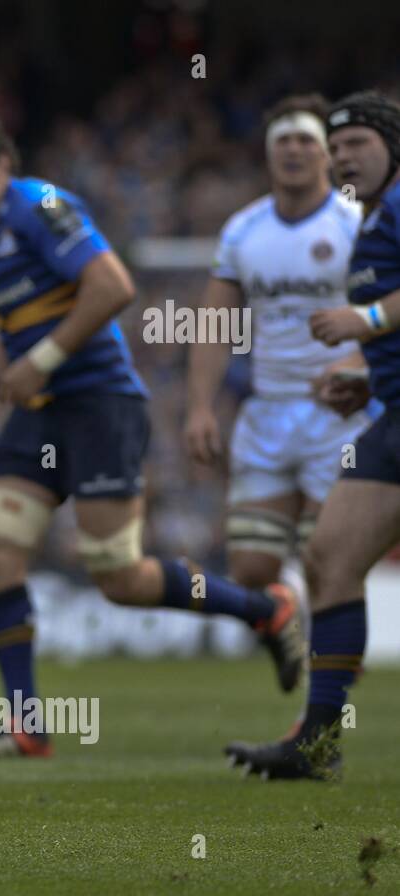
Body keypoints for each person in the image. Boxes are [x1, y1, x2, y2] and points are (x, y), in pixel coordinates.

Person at [0, 107, 307, 758]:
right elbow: (14, 335)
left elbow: (112, 285)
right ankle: (27, 725)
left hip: (101, 404)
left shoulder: (39, 204)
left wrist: (40, 360)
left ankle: (265, 610)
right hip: (39, 411)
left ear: (3, 164)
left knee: (119, 577)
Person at [227, 91, 400, 779]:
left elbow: (381, 316)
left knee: (329, 559)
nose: (344, 155)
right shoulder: (373, 219)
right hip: (393, 412)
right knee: (328, 560)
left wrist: (369, 324)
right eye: (340, 145)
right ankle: (318, 740)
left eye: (359, 141)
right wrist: (366, 376)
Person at [185, 94, 367, 595]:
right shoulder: (244, 230)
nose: (294, 150)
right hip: (268, 411)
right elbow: (212, 322)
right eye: (282, 140)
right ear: (267, 153)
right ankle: (286, 624)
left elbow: (388, 311)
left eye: (306, 140)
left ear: (327, 152)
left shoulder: (357, 223)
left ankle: (329, 673)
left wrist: (356, 362)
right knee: (250, 570)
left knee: (326, 562)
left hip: (342, 414)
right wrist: (200, 405)